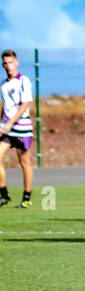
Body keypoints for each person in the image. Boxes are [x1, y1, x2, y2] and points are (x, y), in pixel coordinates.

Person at [0, 50, 35, 208]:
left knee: (24, 162)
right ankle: (4, 195)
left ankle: (27, 197)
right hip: (6, 129)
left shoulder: (24, 81)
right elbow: (4, 107)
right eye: (5, 63)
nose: (8, 66)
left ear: (17, 62)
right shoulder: (3, 84)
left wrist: (11, 122)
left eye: (10, 62)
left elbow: (25, 104)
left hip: (22, 128)